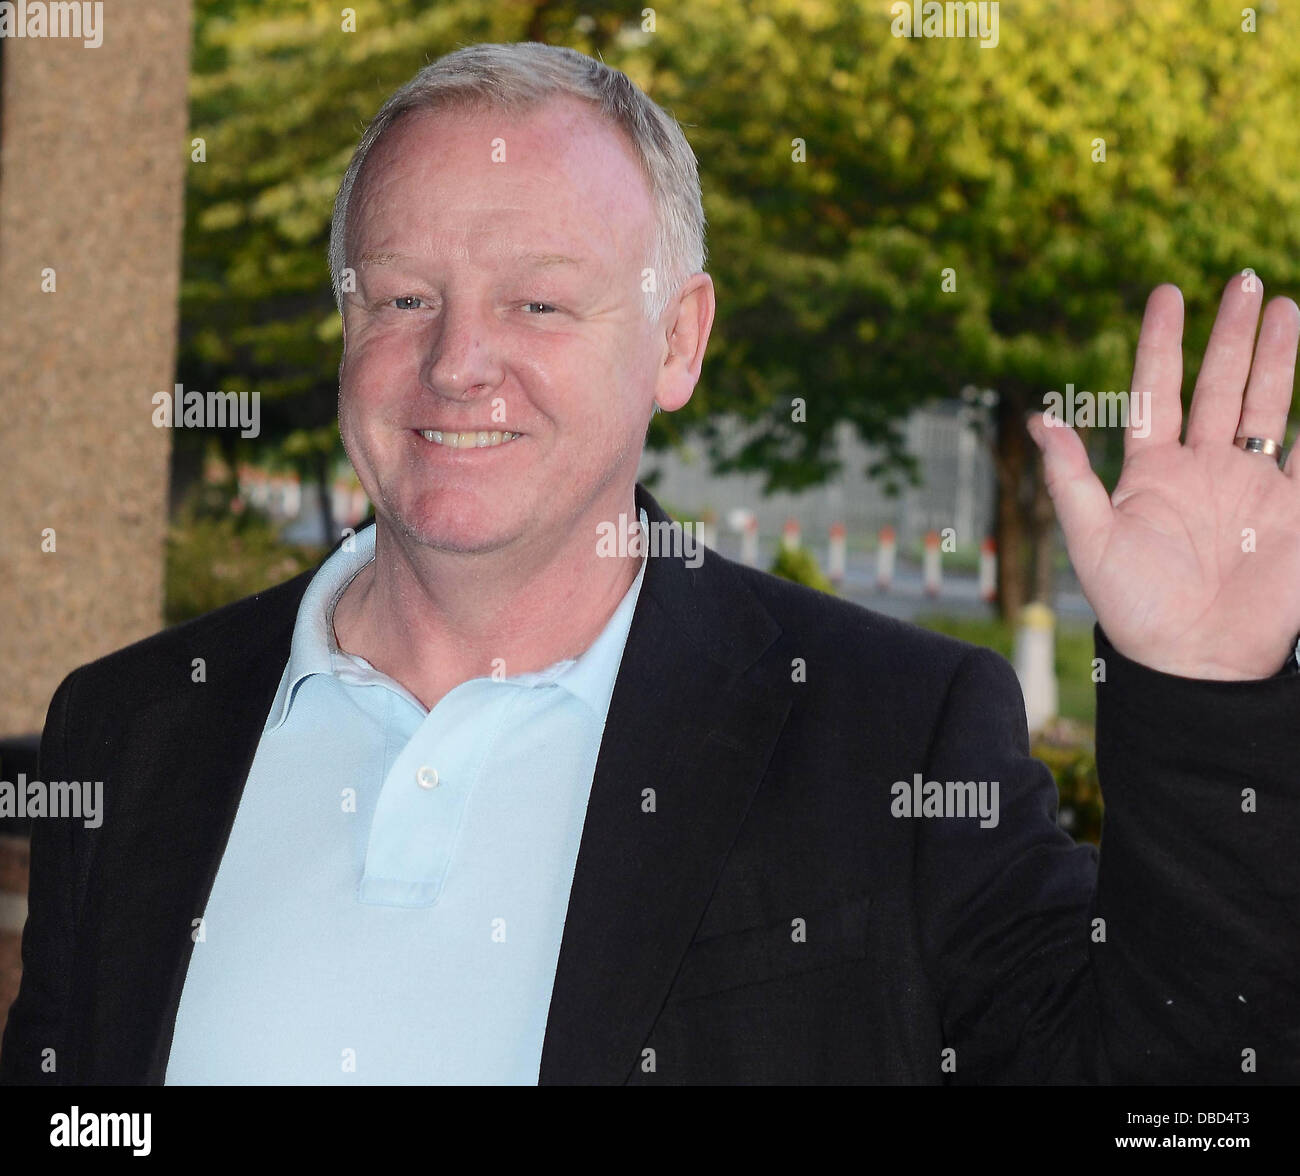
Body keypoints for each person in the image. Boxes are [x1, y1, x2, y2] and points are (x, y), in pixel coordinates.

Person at [2, 42, 1296, 1086]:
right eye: (401, 295)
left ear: (679, 343)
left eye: (539, 303)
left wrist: (1207, 706)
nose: (456, 363)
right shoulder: (127, 730)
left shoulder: (885, 738)